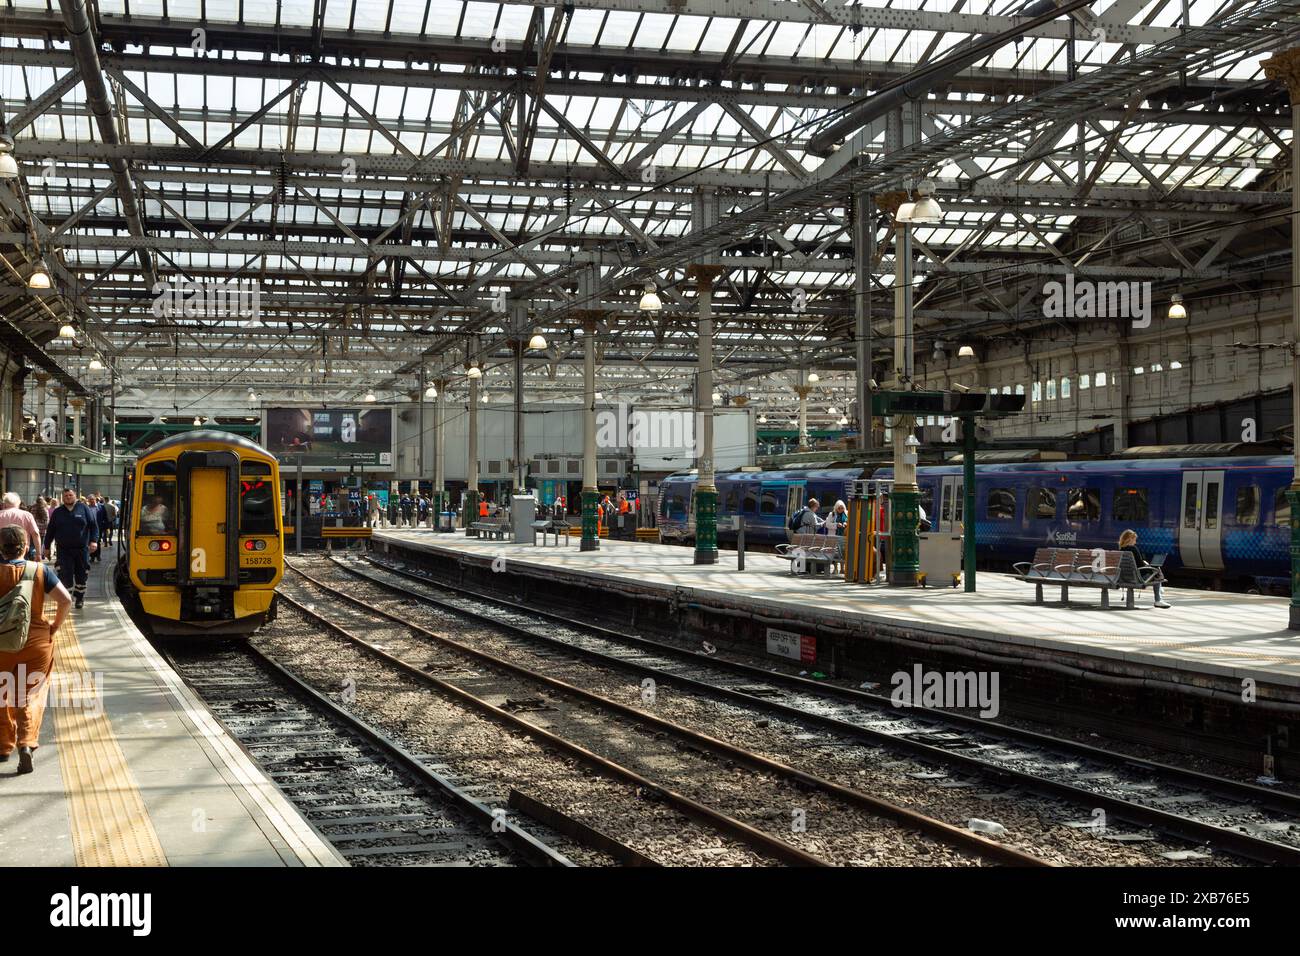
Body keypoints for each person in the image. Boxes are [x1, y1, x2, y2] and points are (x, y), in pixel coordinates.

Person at [0, 525, 72, 774]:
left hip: (1, 646)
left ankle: (3, 746)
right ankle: (26, 743)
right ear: (26, 546)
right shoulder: (40, 570)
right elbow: (66, 600)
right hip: (36, 643)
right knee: (29, 694)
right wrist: (53, 627)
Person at [45, 487, 98, 609]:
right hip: (63, 550)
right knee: (64, 574)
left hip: (82, 549)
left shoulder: (84, 508)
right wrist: (47, 547)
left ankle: (79, 598)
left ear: (75, 496)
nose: (68, 497)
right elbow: (50, 531)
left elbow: (93, 526)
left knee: (82, 574)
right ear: (62, 498)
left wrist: (94, 541)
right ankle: (66, 599)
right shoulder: (58, 512)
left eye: (70, 495)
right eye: (65, 496)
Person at [1118, 529, 1171, 609]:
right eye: (1134, 540)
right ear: (1130, 539)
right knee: (1157, 571)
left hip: (1126, 577)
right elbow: (1140, 565)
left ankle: (1160, 587)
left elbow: (1137, 563)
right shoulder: (1134, 549)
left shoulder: (1121, 550)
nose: (1135, 542)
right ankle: (1158, 600)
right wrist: (1149, 566)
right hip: (1138, 578)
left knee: (1155, 572)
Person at [0, 493, 43, 560]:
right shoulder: (27, 515)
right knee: (23, 570)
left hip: (2, 551)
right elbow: (35, 534)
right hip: (21, 551)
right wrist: (38, 554)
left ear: (4, 503)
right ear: (19, 502)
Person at [90, 495, 110, 563]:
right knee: (91, 542)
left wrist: (106, 526)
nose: (91, 501)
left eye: (92, 499)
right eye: (90, 500)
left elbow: (105, 516)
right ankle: (92, 557)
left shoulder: (101, 507)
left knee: (97, 541)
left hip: (99, 527)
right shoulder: (87, 508)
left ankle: (98, 556)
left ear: (95, 500)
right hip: (90, 528)